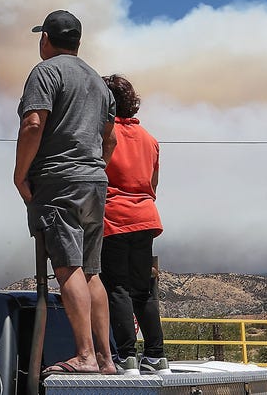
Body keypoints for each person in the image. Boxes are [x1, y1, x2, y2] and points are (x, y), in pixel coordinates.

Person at [14, 10, 118, 376]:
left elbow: (33, 123)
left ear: (45, 38)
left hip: (58, 183)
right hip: (95, 182)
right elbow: (110, 140)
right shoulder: (99, 83)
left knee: (67, 266)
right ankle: (105, 359)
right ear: (78, 41)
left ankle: (85, 355)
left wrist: (20, 174)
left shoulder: (45, 73)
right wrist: (94, 168)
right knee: (91, 271)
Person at [99, 74, 167, 375]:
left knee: (117, 288)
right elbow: (153, 184)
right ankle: (156, 356)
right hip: (145, 217)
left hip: (113, 218)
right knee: (143, 290)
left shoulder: (104, 134)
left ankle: (126, 356)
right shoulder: (150, 139)